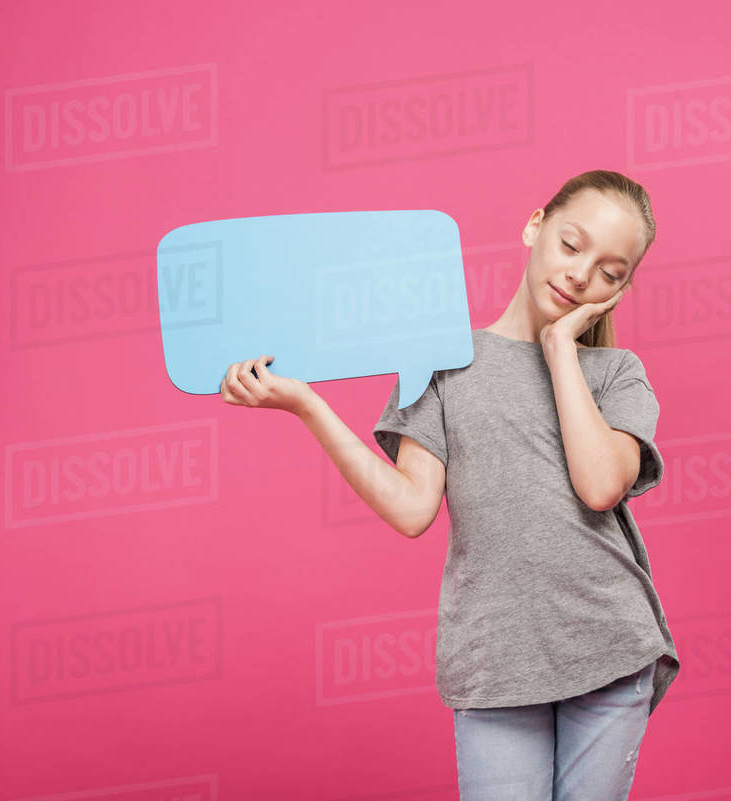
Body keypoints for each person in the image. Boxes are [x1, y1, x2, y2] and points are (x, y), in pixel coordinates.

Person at [218, 170, 680, 801]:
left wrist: (560, 347)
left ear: (620, 290)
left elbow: (600, 486)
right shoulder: (442, 363)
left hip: (606, 647)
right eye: (572, 245)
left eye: (609, 271)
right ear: (535, 226)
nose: (579, 275)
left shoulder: (617, 374)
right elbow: (412, 509)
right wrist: (307, 405)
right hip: (494, 659)